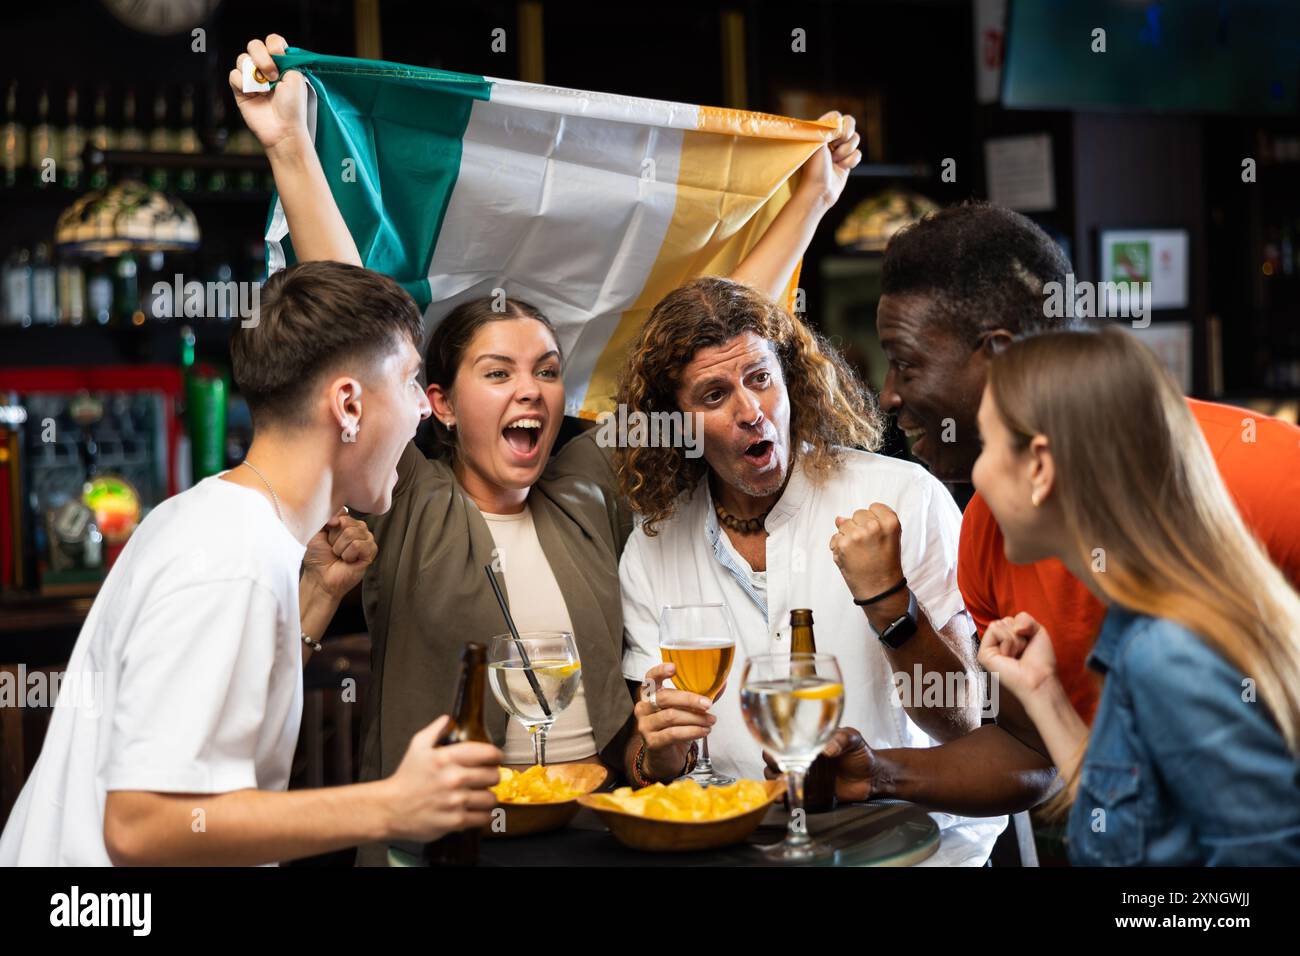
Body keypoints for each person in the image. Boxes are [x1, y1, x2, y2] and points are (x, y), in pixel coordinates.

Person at [231, 34, 865, 864]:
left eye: (548, 371)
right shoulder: (409, 497)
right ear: (438, 405)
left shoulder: (588, 489)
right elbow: (355, 328)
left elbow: (708, 334)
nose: (531, 390)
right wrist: (287, 143)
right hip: (437, 849)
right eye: (498, 374)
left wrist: (813, 198)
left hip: (593, 841)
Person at [0, 261, 503, 866]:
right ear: (348, 404)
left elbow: (213, 723)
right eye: (408, 382)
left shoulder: (211, 521)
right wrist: (393, 805)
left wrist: (317, 595)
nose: (424, 408)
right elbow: (141, 824)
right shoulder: (229, 559)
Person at [818, 202, 1300, 819]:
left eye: (906, 361)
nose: (888, 393)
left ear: (999, 356)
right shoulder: (992, 534)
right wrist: (879, 774)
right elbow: (1033, 753)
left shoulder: (1268, 480)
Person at [615, 276, 1006, 866]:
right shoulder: (652, 544)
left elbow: (961, 721)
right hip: (742, 851)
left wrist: (888, 599)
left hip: (912, 852)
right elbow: (648, 767)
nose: (751, 412)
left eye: (760, 379)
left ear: (792, 379)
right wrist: (658, 756)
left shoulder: (905, 497)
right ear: (677, 424)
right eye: (714, 395)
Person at [974, 328, 1300, 865]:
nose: (978, 471)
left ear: (1039, 466)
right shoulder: (1146, 622)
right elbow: (1142, 827)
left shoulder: (1168, 652)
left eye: (986, 444)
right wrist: (1042, 692)